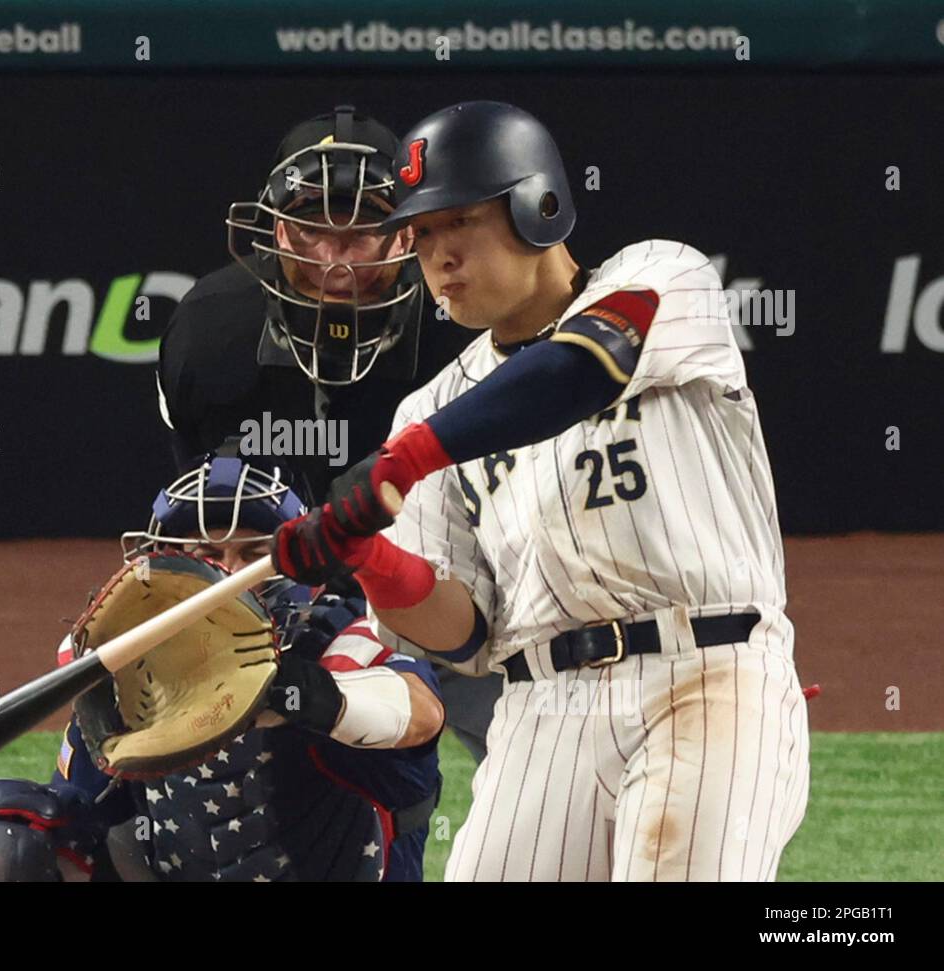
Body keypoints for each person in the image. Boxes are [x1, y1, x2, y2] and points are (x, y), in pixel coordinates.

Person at [271, 101, 810, 881]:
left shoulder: (662, 275)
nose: (438, 256)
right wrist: (368, 558)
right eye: (421, 237)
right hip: (542, 706)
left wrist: (405, 462)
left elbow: (578, 367)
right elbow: (463, 631)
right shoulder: (426, 410)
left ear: (539, 207)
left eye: (460, 221)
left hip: (710, 673)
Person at [156, 104, 501, 762]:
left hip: (454, 597)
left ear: (406, 234)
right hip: (272, 608)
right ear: (276, 229)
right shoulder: (210, 331)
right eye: (311, 226)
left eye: (364, 228)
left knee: (544, 763)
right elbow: (202, 505)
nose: (334, 258)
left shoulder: (469, 328)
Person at [0, 454, 444, 882]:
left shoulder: (343, 640)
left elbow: (418, 715)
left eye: (253, 555)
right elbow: (84, 814)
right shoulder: (132, 667)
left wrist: (302, 696)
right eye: (205, 554)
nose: (228, 575)